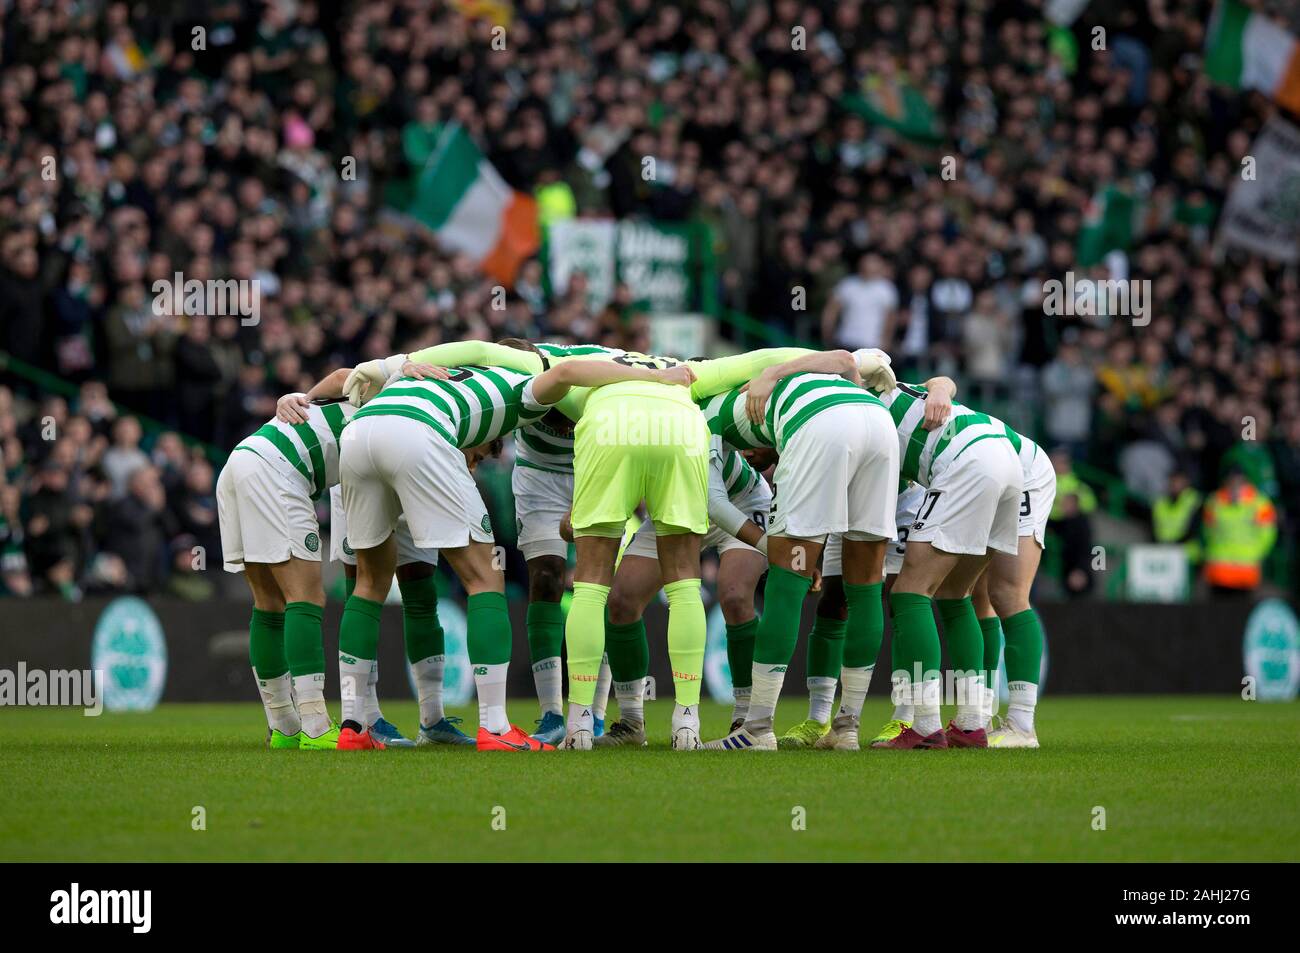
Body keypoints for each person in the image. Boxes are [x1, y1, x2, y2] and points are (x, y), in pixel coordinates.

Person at [336, 351, 698, 751]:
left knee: (368, 583)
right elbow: (567, 371)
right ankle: (494, 728)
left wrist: (386, 365)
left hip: (357, 435)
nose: (480, 462)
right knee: (484, 576)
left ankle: (354, 726)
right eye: (485, 453)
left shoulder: (430, 370)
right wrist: (655, 378)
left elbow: (350, 377)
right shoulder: (516, 386)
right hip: (417, 434)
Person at [700, 349, 900, 752]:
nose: (753, 463)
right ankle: (847, 728)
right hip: (879, 425)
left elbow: (713, 501)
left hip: (818, 429)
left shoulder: (703, 417)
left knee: (785, 585)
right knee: (863, 587)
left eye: (750, 458)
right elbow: (850, 359)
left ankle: (756, 729)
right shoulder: (803, 376)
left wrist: (772, 549)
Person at [595, 435, 772, 746]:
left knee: (734, 595)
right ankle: (632, 722)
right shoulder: (624, 433)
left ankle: (746, 720)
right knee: (622, 599)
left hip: (737, 502)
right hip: (675, 512)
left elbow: (715, 506)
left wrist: (770, 547)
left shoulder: (685, 424)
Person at [1202, 469, 1277, 597]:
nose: (1235, 485)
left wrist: (1257, 553)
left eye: (1239, 482)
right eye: (1231, 482)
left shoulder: (1260, 503)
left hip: (1247, 571)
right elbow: (1208, 532)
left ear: (1245, 483)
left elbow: (1268, 535)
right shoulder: (1214, 502)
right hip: (1219, 571)